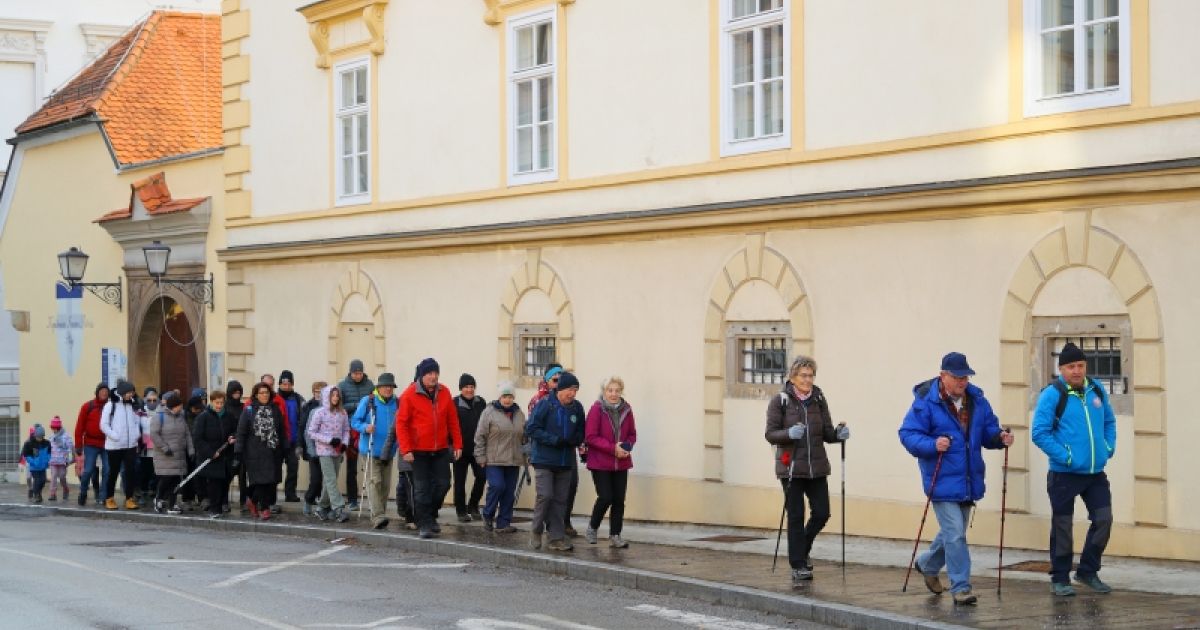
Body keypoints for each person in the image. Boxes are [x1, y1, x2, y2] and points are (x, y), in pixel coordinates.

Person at [899, 352, 1013, 606]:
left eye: (966, 376)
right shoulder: (926, 402)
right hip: (941, 478)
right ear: (943, 376)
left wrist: (999, 438)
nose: (963, 381)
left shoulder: (977, 400)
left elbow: (988, 430)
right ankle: (961, 587)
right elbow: (907, 434)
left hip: (969, 478)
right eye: (958, 377)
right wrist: (932, 444)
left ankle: (927, 564)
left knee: (954, 532)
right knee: (955, 535)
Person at [1031, 342, 1117, 597]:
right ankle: (1060, 578)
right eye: (1071, 366)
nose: (1077, 371)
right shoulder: (1052, 394)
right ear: (1061, 369)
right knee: (1063, 527)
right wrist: (1066, 456)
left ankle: (1087, 572)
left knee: (1104, 519)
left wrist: (1107, 447)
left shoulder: (1096, 389)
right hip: (1064, 474)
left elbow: (1109, 421)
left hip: (1095, 473)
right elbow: (1039, 433)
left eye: (1080, 365)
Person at [764, 357, 849, 582]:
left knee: (822, 513)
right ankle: (798, 564)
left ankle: (802, 549)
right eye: (803, 375)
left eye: (811, 375)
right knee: (796, 515)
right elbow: (770, 434)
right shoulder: (780, 401)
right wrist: (788, 433)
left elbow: (827, 433)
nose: (808, 379)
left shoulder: (818, 399)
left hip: (817, 467)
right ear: (793, 377)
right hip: (791, 466)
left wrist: (839, 435)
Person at [388, 359, 461, 539]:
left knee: (444, 484)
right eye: (429, 373)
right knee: (421, 488)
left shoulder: (444, 392)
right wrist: (406, 450)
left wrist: (458, 444)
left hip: (441, 449)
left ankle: (430, 514)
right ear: (422, 375)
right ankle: (424, 524)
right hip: (418, 451)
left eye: (435, 373)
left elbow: (452, 420)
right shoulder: (409, 395)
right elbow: (401, 424)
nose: (433, 376)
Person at [526, 370, 585, 552]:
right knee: (546, 495)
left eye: (576, 390)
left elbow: (581, 430)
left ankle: (556, 538)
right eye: (570, 390)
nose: (573, 394)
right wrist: (554, 440)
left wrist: (576, 440)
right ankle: (536, 530)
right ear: (560, 389)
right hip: (544, 459)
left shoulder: (577, 408)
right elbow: (531, 428)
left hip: (565, 461)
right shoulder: (545, 404)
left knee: (560, 500)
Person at [584, 376, 639, 549]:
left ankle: (615, 535)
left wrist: (626, 447)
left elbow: (632, 433)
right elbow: (591, 437)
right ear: (604, 392)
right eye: (610, 390)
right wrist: (612, 448)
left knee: (619, 500)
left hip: (621, 461)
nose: (614, 394)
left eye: (617, 390)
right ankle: (592, 528)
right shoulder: (596, 409)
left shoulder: (627, 409)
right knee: (606, 496)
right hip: (600, 462)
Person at [474, 381, 526, 533]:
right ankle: (488, 515)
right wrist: (480, 457)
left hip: (513, 459)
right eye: (504, 396)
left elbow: (523, 436)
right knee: (497, 486)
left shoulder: (519, 414)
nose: (507, 400)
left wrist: (527, 453)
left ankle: (503, 522)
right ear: (499, 397)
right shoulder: (489, 412)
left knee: (509, 492)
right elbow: (480, 436)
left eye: (510, 396)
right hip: (494, 459)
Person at [351, 372, 401, 529]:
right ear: (378, 388)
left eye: (390, 387)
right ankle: (378, 516)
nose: (388, 389)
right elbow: (354, 421)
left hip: (389, 451)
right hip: (370, 450)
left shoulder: (397, 403)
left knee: (385, 486)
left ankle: (381, 515)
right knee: (374, 482)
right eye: (385, 386)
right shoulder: (368, 401)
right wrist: (365, 427)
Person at [237, 382, 286, 520]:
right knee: (260, 482)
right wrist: (238, 451)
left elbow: (281, 431)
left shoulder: (275, 409)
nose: (264, 395)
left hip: (272, 450)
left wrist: (285, 447)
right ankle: (264, 508)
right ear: (256, 395)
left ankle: (252, 501)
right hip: (254, 451)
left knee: (270, 481)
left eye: (267, 392)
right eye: (261, 393)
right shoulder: (249, 410)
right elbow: (241, 432)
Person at [307, 385, 352, 523]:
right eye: (332, 395)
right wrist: (329, 440)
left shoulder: (342, 412)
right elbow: (311, 432)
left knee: (330, 480)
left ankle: (321, 507)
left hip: (337, 451)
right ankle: (338, 508)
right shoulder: (319, 413)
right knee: (331, 479)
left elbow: (346, 430)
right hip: (324, 451)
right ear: (327, 397)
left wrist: (344, 443)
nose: (335, 398)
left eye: (337, 396)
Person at [193, 390, 237, 519]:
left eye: (221, 403)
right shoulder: (203, 417)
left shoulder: (229, 416)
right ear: (211, 402)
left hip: (225, 455)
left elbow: (235, 430)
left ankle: (222, 506)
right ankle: (214, 508)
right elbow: (198, 438)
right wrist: (210, 452)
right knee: (214, 484)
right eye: (217, 403)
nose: (219, 406)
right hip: (211, 457)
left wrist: (232, 437)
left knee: (224, 483)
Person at [337, 359, 374, 510]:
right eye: (355, 373)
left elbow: (375, 402)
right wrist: (356, 405)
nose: (358, 376)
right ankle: (352, 500)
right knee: (351, 467)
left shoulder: (370, 385)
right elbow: (339, 406)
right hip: (350, 429)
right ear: (350, 372)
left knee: (370, 465)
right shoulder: (342, 385)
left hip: (367, 429)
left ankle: (372, 500)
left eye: (360, 373)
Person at [102, 380, 144, 511]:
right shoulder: (111, 405)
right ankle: (109, 498)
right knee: (113, 473)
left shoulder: (132, 405)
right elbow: (103, 425)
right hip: (114, 446)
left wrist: (136, 435)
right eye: (129, 392)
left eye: (132, 392)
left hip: (130, 445)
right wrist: (115, 436)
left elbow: (137, 422)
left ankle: (129, 499)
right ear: (122, 392)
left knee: (130, 473)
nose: (131, 395)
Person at [151, 391, 194, 515]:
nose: (181, 408)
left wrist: (191, 450)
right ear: (173, 406)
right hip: (165, 456)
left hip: (179, 455)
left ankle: (172, 504)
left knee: (176, 481)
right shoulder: (159, 416)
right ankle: (158, 500)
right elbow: (154, 434)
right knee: (166, 479)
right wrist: (165, 448)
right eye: (179, 406)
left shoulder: (180, 417)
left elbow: (187, 434)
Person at [453, 373, 487, 522]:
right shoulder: (454, 403)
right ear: (461, 388)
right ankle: (461, 511)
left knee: (482, 476)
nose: (469, 389)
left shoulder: (481, 403)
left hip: (477, 449)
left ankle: (473, 506)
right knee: (459, 481)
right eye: (466, 387)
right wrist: (454, 445)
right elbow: (450, 425)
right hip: (459, 450)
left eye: (472, 386)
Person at [74, 383, 110, 506]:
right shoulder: (87, 406)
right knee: (88, 470)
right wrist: (78, 445)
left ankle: (103, 496)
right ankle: (83, 492)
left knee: (107, 470)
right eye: (102, 391)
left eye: (106, 391)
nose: (104, 393)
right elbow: (79, 426)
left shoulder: (111, 407)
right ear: (97, 392)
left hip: (107, 443)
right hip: (90, 443)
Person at [277, 370, 306, 502]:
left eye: (289, 383)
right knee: (275, 469)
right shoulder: (274, 399)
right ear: (280, 384)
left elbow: (303, 419)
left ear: (292, 384)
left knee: (293, 468)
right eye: (283, 383)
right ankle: (272, 495)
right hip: (277, 441)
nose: (286, 386)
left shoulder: (298, 399)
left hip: (294, 440)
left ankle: (290, 493)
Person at [299, 381, 327, 516]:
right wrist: (307, 448)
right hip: (313, 449)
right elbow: (304, 429)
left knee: (326, 479)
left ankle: (322, 504)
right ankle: (309, 500)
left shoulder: (331, 408)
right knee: (315, 478)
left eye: (322, 391)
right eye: (317, 391)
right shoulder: (309, 407)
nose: (319, 394)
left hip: (328, 450)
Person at [225, 381, 246, 510]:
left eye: (239, 392)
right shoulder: (225, 407)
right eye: (235, 392)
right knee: (228, 474)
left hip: (242, 445)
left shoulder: (244, 407)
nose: (237, 395)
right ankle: (224, 501)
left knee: (243, 476)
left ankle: (244, 501)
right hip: (229, 446)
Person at [137, 388, 160, 503]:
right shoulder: (141, 412)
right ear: (145, 400)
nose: (152, 402)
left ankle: (155, 490)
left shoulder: (161, 412)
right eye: (149, 400)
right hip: (145, 447)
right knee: (145, 471)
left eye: (154, 400)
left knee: (156, 471)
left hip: (157, 447)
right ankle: (143, 491)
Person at [21, 424, 51, 503]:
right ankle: (36, 495)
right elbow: (26, 455)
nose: (40, 439)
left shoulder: (47, 443)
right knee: (37, 481)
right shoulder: (29, 444)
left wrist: (47, 460)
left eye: (41, 437)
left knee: (43, 481)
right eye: (38, 437)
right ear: (35, 435)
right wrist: (33, 462)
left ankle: (38, 493)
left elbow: (49, 453)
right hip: (34, 467)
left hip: (43, 467)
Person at [47, 417, 74, 502]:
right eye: (52, 428)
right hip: (53, 461)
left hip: (62, 461)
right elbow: (49, 449)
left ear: (58, 427)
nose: (53, 429)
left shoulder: (66, 436)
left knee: (62, 477)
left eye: (54, 428)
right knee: (54, 476)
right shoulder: (51, 437)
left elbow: (70, 447)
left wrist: (73, 457)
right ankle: (53, 494)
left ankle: (65, 489)